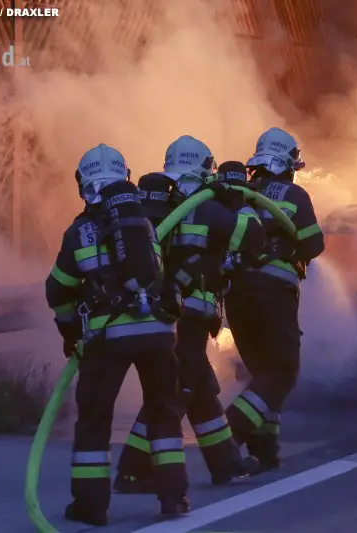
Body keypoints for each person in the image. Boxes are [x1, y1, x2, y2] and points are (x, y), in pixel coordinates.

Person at [44, 143, 189, 525]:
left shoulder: (80, 231)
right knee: (164, 413)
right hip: (158, 333)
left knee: (95, 422)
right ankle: (174, 497)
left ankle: (91, 507)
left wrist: (70, 331)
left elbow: (57, 290)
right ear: (126, 178)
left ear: (83, 184)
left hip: (107, 338)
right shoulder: (144, 224)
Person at [114, 136, 265, 494]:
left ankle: (226, 463)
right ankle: (132, 469)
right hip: (192, 314)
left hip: (166, 312)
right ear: (205, 168)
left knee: (199, 389)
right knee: (174, 392)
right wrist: (237, 199)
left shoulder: (159, 204)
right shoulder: (209, 208)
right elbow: (253, 237)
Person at [223, 127, 324, 473]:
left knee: (263, 375)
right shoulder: (294, 195)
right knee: (282, 370)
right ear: (287, 164)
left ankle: (265, 452)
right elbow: (314, 245)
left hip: (236, 297)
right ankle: (228, 437)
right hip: (273, 294)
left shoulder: (239, 195)